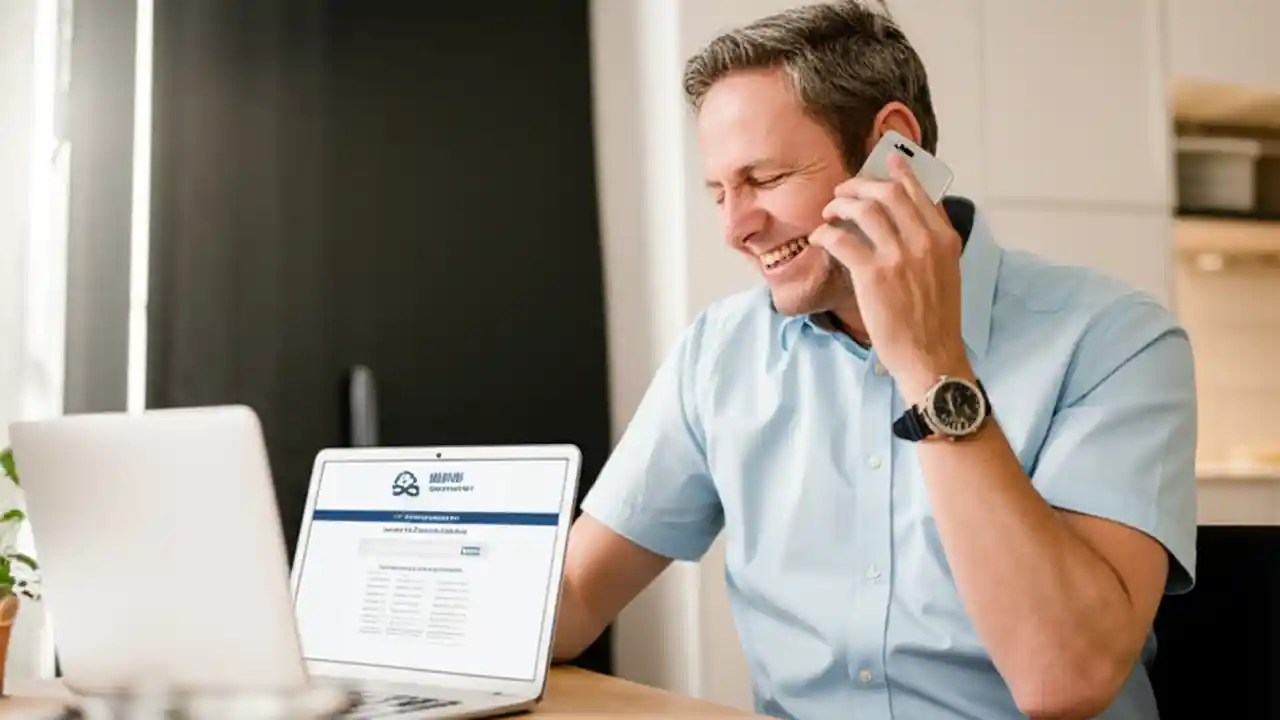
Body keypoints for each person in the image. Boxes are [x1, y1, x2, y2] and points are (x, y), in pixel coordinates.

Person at [553, 2, 1197, 719]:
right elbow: (576, 595)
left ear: (892, 150)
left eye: (765, 179)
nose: (736, 227)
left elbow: (1066, 679)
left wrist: (931, 364)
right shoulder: (720, 351)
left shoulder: (1115, 340)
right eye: (720, 193)